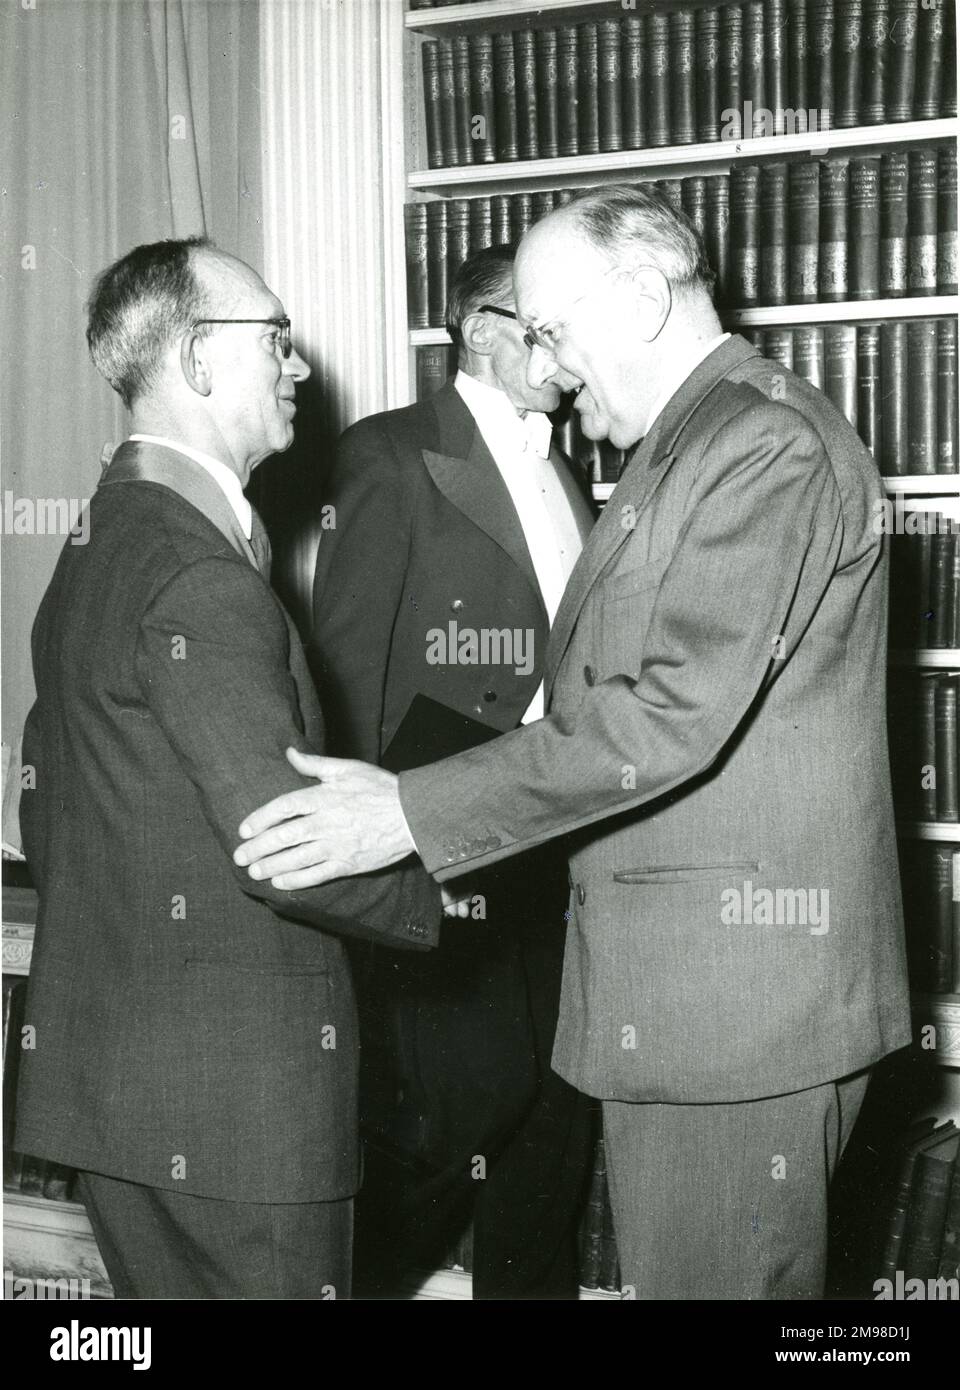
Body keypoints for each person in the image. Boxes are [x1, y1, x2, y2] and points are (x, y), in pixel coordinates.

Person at [234, 187, 912, 1300]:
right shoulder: (681, 445)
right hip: (691, 1000)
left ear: (644, 297)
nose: (547, 362)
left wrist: (408, 810)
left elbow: (664, 714)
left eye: (552, 329)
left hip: (736, 1013)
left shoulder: (761, 445)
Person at [14, 236, 444, 1301]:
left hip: (124, 1089)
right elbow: (281, 843)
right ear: (199, 361)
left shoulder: (99, 541)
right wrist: (465, 874)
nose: (300, 368)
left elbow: (57, 805)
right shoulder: (199, 571)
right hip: (238, 1107)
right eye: (278, 342)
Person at [309, 244, 596, 1298]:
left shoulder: (568, 470)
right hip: (441, 857)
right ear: (478, 326)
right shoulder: (390, 456)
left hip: (563, 858)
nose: (566, 352)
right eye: (542, 325)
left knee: (551, 1142)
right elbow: (343, 680)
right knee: (441, 1132)